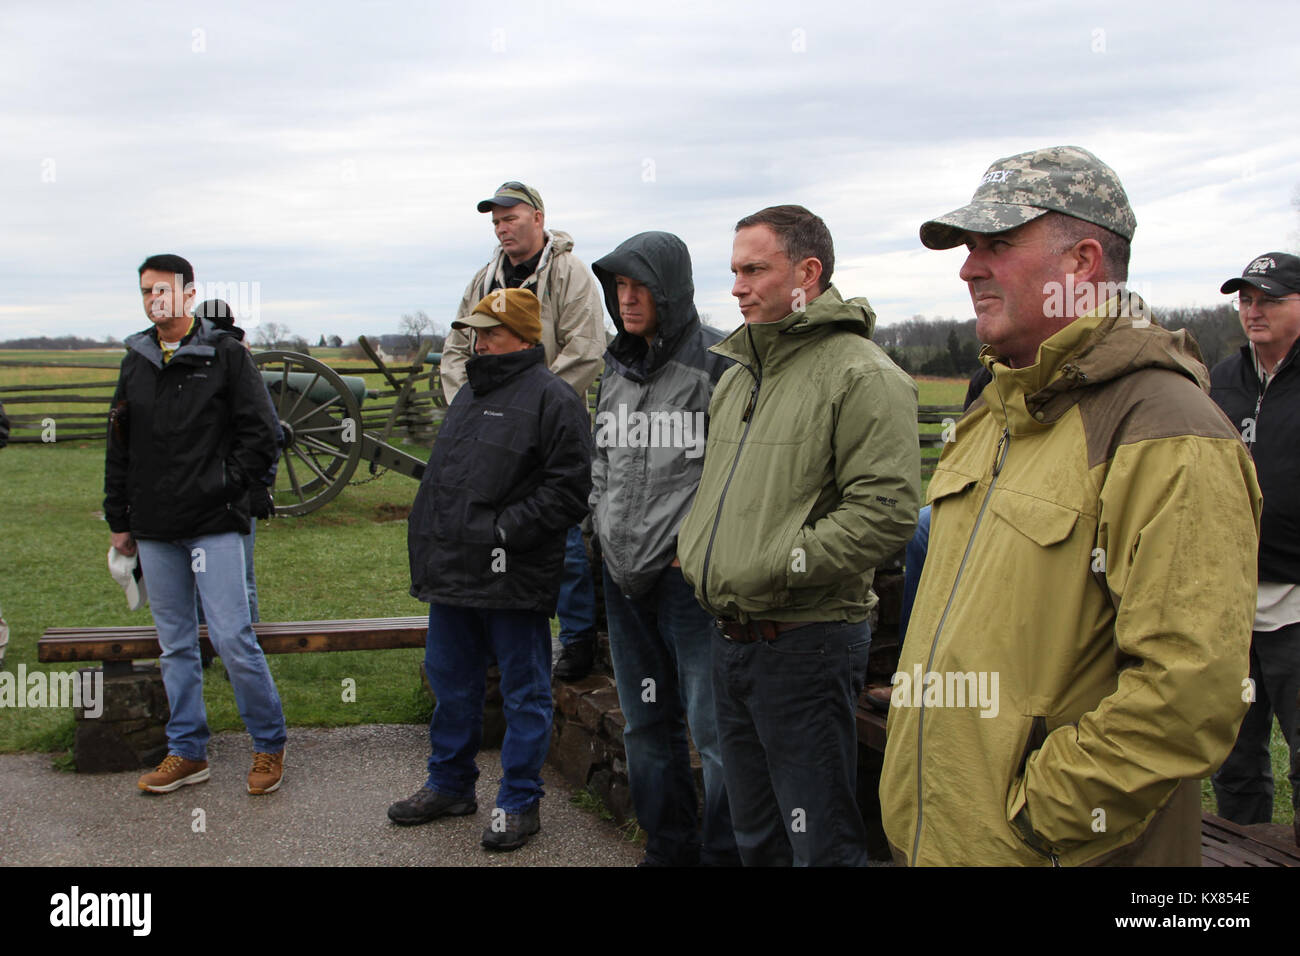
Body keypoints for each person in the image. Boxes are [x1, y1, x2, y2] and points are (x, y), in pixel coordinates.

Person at [880, 146, 1262, 866]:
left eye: (997, 245)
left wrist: (1038, 818)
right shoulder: (997, 408)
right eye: (968, 248)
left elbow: (1189, 695)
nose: (968, 268)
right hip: (941, 840)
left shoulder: (1165, 428)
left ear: (1082, 262)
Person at [677, 205, 921, 866]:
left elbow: (888, 511)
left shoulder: (863, 375)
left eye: (755, 269)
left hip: (805, 644)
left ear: (807, 274)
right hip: (729, 639)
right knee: (756, 837)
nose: (736, 287)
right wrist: (699, 548)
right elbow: (726, 493)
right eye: (734, 270)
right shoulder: (741, 377)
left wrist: (774, 564)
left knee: (820, 846)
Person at [397, 288, 592, 851]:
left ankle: (519, 802)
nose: (480, 342)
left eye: (491, 333)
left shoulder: (554, 399)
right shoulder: (470, 394)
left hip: (512, 577)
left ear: (526, 338)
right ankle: (449, 785)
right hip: (453, 574)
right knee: (453, 686)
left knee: (524, 693)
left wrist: (502, 532)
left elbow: (568, 492)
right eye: (476, 332)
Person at [106, 254, 286, 795]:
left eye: (162, 290)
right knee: (176, 645)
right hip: (156, 526)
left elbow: (262, 434)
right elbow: (119, 446)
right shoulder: (136, 359)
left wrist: (224, 487)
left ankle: (268, 744)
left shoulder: (225, 355)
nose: (153, 300)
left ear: (188, 294)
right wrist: (121, 518)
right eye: (145, 292)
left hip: (213, 522)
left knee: (233, 637)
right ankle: (186, 751)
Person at [588, 231, 739, 867]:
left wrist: (693, 549)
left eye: (639, 286)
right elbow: (603, 457)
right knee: (646, 725)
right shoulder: (616, 368)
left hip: (688, 584)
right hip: (624, 580)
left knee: (713, 731)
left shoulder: (718, 366)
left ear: (670, 290)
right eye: (619, 286)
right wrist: (601, 525)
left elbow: (737, 473)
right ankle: (667, 847)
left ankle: (725, 853)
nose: (627, 299)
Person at [440, 181, 605, 681]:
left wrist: (532, 407)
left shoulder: (571, 274)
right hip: (487, 435)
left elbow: (587, 347)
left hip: (550, 429)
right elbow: (456, 351)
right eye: (495, 221)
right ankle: (492, 631)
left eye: (510, 217)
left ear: (538, 217)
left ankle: (576, 639)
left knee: (564, 532)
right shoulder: (483, 279)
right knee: (491, 529)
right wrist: (470, 408)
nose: (502, 227)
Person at [1210, 252, 1300, 826]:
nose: (1253, 310)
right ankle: (1239, 860)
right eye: (1245, 299)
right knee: (1233, 757)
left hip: (1297, 601)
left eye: (1269, 298)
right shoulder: (1223, 379)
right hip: (1231, 599)